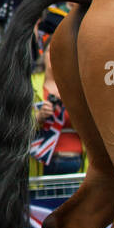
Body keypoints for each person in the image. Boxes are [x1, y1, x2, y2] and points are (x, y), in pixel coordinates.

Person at [30, 43, 83, 177]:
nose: (54, 56)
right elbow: (14, 125)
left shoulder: (78, 86)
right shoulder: (29, 84)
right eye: (50, 51)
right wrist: (39, 116)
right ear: (43, 55)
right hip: (39, 167)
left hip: (76, 164)